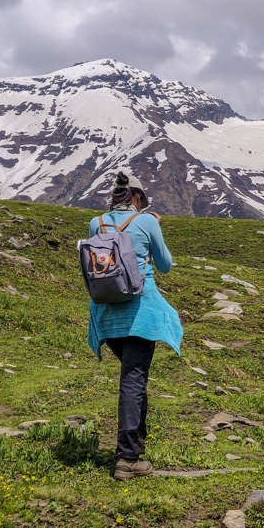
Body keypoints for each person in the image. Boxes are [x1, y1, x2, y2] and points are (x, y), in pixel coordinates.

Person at [86, 171, 183, 480]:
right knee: (133, 380)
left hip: (106, 314)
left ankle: (136, 442)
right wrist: (153, 227)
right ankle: (128, 457)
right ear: (138, 198)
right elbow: (165, 265)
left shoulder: (96, 223)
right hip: (141, 313)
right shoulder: (147, 221)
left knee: (134, 378)